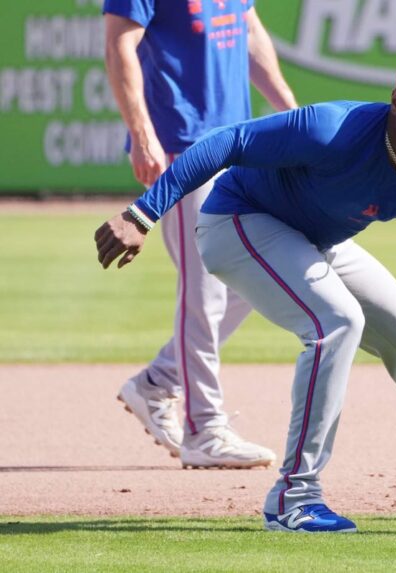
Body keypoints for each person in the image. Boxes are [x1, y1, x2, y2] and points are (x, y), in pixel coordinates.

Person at [95, 47, 396, 533]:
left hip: (313, 241)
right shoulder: (332, 128)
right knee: (337, 322)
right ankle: (294, 497)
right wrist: (143, 213)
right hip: (238, 220)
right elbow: (229, 141)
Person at [103, 0, 299, 468]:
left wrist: (292, 117)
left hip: (236, 143)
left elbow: (249, 33)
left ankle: (158, 382)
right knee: (205, 290)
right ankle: (204, 430)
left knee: (259, 272)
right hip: (182, 145)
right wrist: (142, 134)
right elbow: (118, 45)